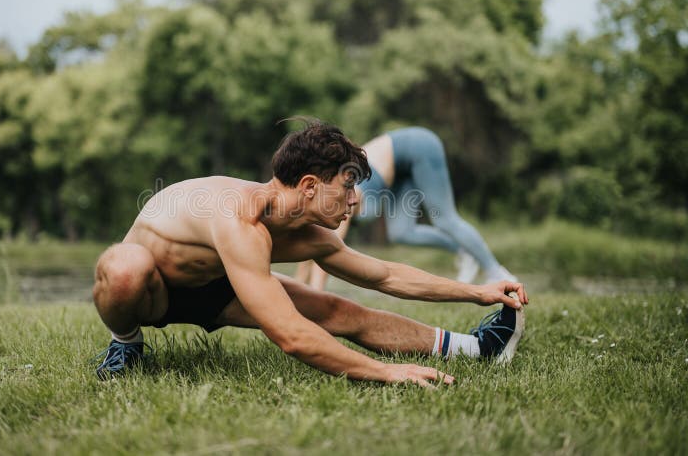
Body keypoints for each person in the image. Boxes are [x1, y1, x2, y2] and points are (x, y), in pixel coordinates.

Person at [92, 121, 528, 386]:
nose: (355, 201)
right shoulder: (238, 220)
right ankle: (126, 343)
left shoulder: (306, 233)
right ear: (308, 186)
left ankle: (477, 349)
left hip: (214, 281)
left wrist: (477, 292)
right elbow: (291, 336)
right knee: (125, 266)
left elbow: (384, 276)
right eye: (348, 185)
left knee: (340, 310)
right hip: (150, 290)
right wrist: (382, 371)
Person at [294, 127, 519, 291]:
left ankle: (496, 271)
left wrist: (316, 294)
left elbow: (328, 248)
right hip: (400, 172)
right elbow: (312, 249)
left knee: (445, 219)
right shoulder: (329, 200)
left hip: (419, 146)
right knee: (401, 232)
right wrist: (297, 287)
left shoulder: (345, 191)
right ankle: (463, 250)